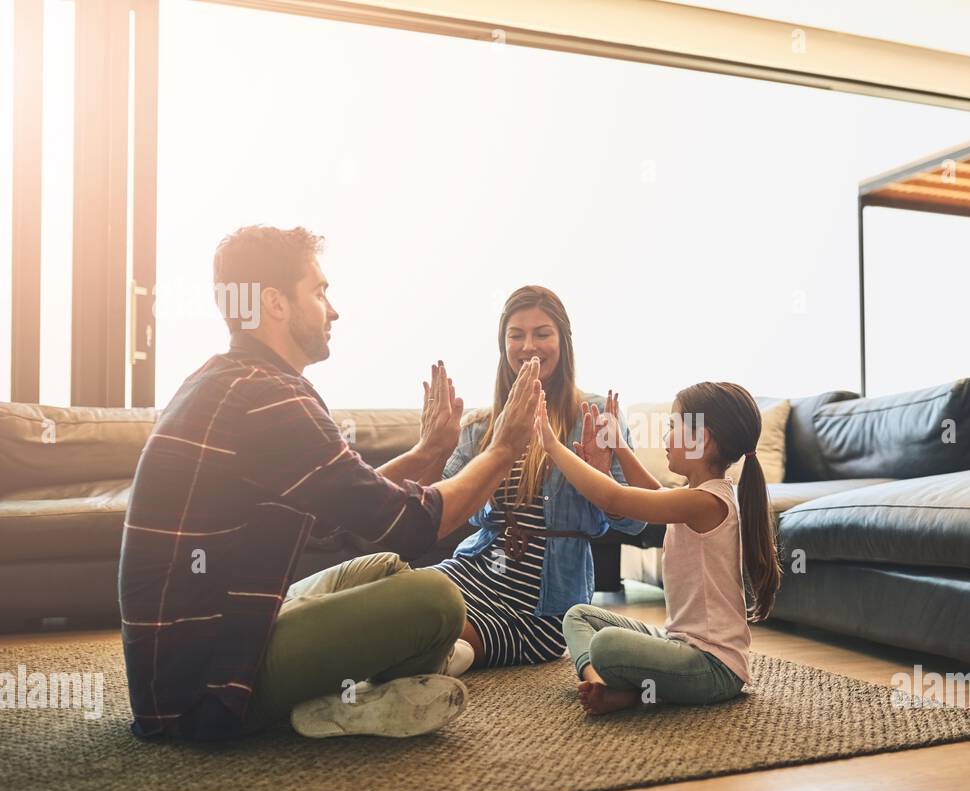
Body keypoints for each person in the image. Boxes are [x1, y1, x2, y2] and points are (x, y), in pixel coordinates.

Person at [118, 225, 541, 741]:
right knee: (436, 599)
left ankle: (345, 697)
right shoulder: (271, 399)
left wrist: (430, 452)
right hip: (203, 689)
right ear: (274, 303)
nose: (332, 310)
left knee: (382, 569)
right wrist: (503, 450)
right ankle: (350, 700)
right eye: (319, 292)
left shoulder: (233, 379)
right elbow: (414, 526)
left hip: (207, 644)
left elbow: (335, 515)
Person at [432, 286, 646, 673]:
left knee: (435, 632)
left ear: (563, 341)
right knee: (396, 602)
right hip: (476, 571)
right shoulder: (481, 425)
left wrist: (599, 478)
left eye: (542, 333)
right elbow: (442, 509)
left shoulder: (593, 414)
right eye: (516, 335)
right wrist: (433, 448)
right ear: (503, 345)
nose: (529, 345)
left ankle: (434, 662)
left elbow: (634, 522)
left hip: (543, 604)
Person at [535, 383, 781, 715]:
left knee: (606, 644)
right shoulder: (697, 497)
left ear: (700, 439)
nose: (665, 438)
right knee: (578, 615)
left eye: (671, 427)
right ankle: (602, 685)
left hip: (714, 669)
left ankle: (625, 690)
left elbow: (613, 498)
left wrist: (552, 445)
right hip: (680, 645)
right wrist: (619, 448)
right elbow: (653, 491)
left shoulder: (705, 502)